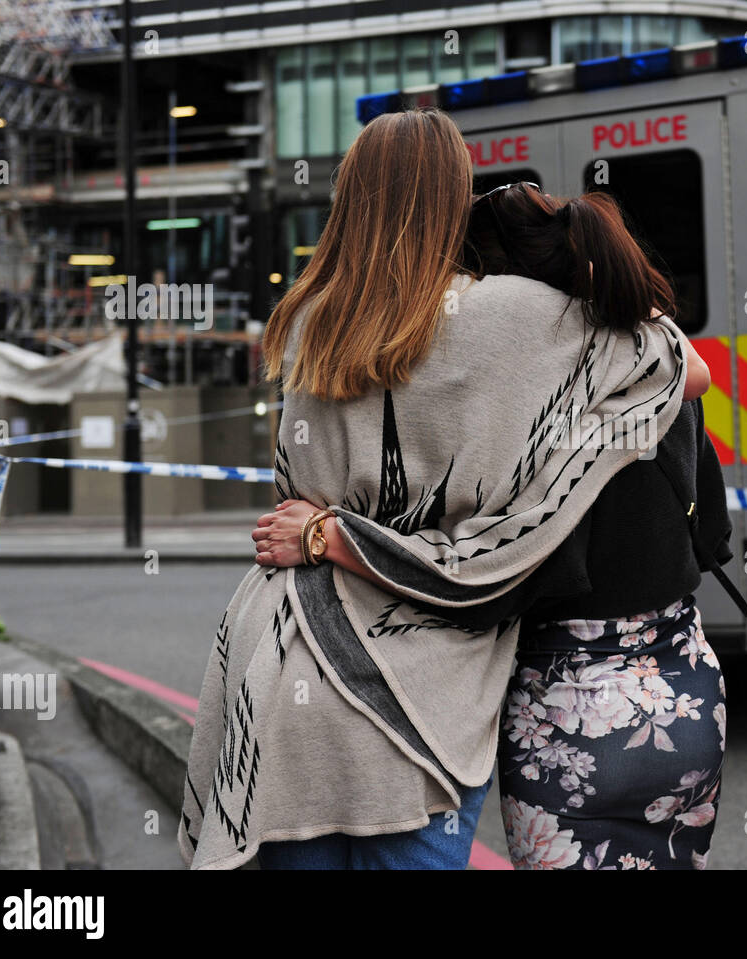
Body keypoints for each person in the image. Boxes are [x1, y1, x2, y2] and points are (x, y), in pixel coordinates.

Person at [177, 110, 695, 869]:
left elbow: (299, 492)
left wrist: (323, 530)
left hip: (282, 661)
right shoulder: (514, 315)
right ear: (454, 199)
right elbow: (678, 366)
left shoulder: (308, 317)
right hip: (415, 690)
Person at [462, 182, 734, 869]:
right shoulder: (666, 368)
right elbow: (712, 528)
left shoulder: (521, 400)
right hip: (685, 695)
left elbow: (491, 573)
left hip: (566, 713)